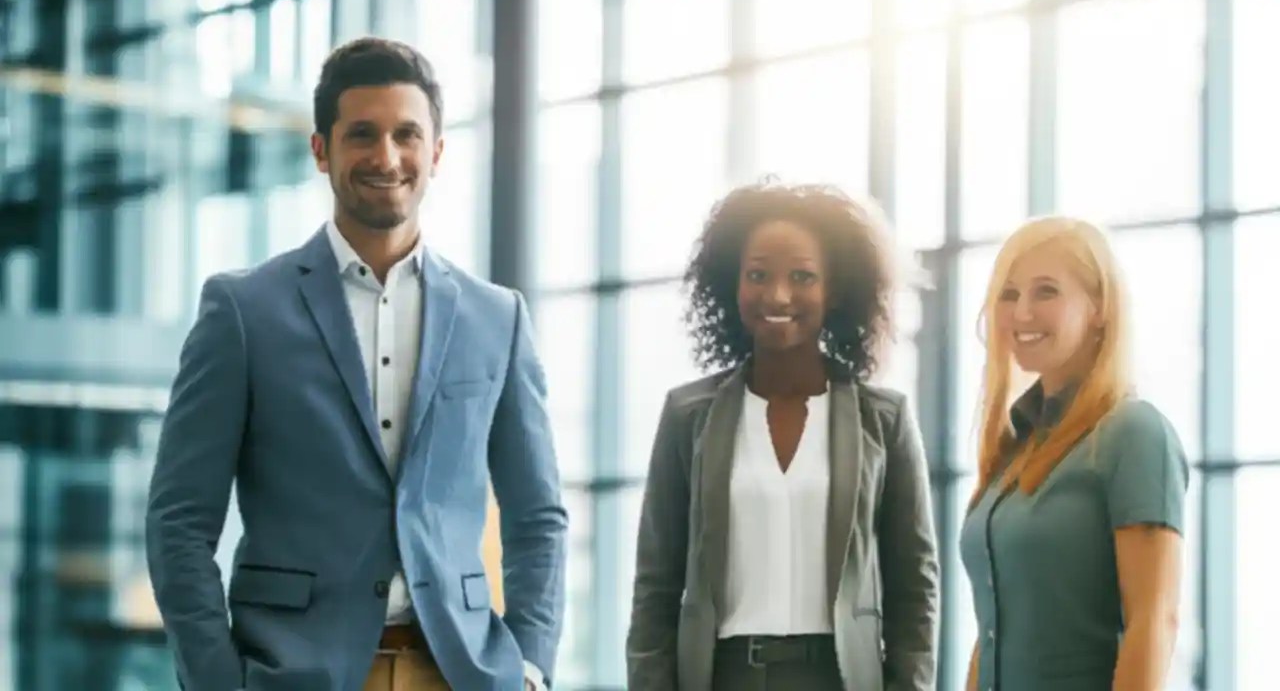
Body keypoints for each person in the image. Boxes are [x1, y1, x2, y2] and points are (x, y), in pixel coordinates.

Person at [145, 37, 566, 691]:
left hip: (457, 671)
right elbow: (179, 522)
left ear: (437, 152)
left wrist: (531, 663)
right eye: (362, 134)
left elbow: (537, 514)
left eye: (407, 134)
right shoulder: (242, 311)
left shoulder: (498, 318)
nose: (386, 157)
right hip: (296, 672)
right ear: (321, 149)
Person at [626, 181, 940, 691]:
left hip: (840, 677)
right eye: (758, 276)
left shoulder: (883, 419)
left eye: (802, 277)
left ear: (834, 289)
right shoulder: (688, 416)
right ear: (733, 284)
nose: (778, 295)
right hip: (721, 676)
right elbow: (655, 587)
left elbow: (914, 588)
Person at [960, 216, 1187, 690]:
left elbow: (1155, 620)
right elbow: (991, 635)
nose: (1021, 313)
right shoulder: (1014, 447)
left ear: (1099, 307)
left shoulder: (1133, 434)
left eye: (1046, 292)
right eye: (1009, 294)